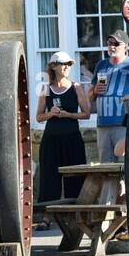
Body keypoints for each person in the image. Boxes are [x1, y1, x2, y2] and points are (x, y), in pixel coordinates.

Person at [35, 51, 91, 220]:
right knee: (48, 177)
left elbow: (86, 113)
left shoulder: (76, 87)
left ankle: (75, 216)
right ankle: (46, 217)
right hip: (51, 139)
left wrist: (68, 115)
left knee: (74, 176)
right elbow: (38, 117)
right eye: (63, 64)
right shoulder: (45, 88)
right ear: (53, 66)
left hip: (72, 138)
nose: (66, 67)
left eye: (69, 64)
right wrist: (50, 114)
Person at [91, 30, 129, 166]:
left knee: (125, 167)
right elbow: (89, 96)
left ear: (125, 47)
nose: (112, 47)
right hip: (103, 124)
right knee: (105, 168)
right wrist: (95, 90)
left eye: (116, 44)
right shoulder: (101, 65)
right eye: (109, 43)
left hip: (124, 124)